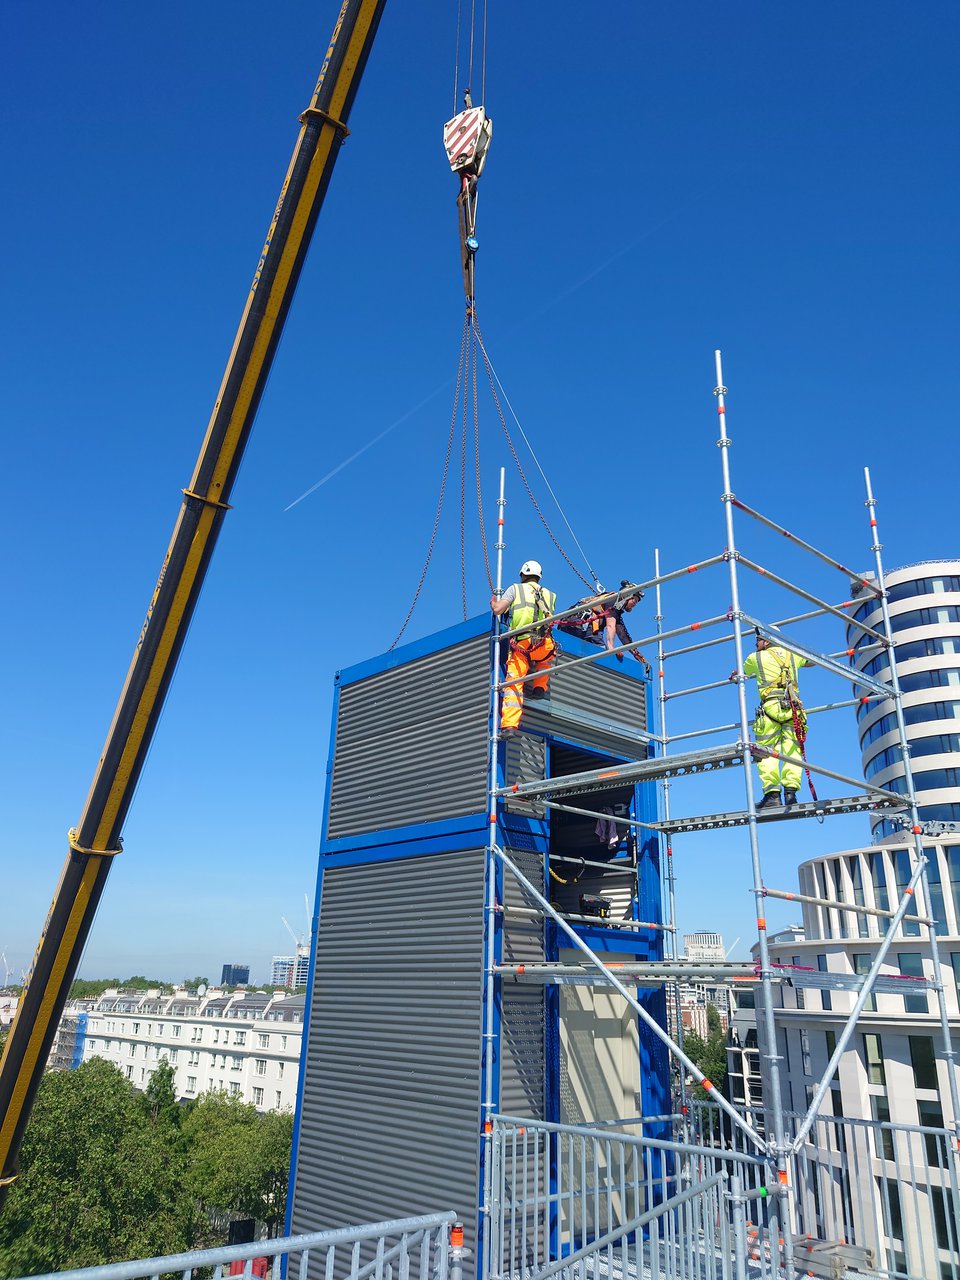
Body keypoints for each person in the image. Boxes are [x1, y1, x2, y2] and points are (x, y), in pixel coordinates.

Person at [730, 631, 813, 809]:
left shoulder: (756, 658)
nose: (756, 644)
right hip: (793, 709)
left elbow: (741, 672)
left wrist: (735, 674)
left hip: (770, 709)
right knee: (792, 750)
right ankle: (791, 794)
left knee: (766, 752)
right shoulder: (793, 655)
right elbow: (812, 661)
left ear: (767, 642)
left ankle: (772, 795)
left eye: (758, 640)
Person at [491, 560, 557, 734]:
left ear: (523, 575)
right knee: (544, 662)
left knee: (514, 682)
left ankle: (509, 726)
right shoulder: (550, 595)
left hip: (523, 642)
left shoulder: (515, 589)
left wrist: (494, 602)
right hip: (544, 643)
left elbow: (499, 609)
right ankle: (540, 687)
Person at [557, 581, 649, 670]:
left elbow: (623, 634)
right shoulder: (613, 601)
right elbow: (610, 626)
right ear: (627, 595)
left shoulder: (610, 602)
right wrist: (611, 649)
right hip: (582, 624)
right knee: (603, 655)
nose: (635, 604)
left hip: (568, 624)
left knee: (569, 649)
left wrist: (637, 655)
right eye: (634, 600)